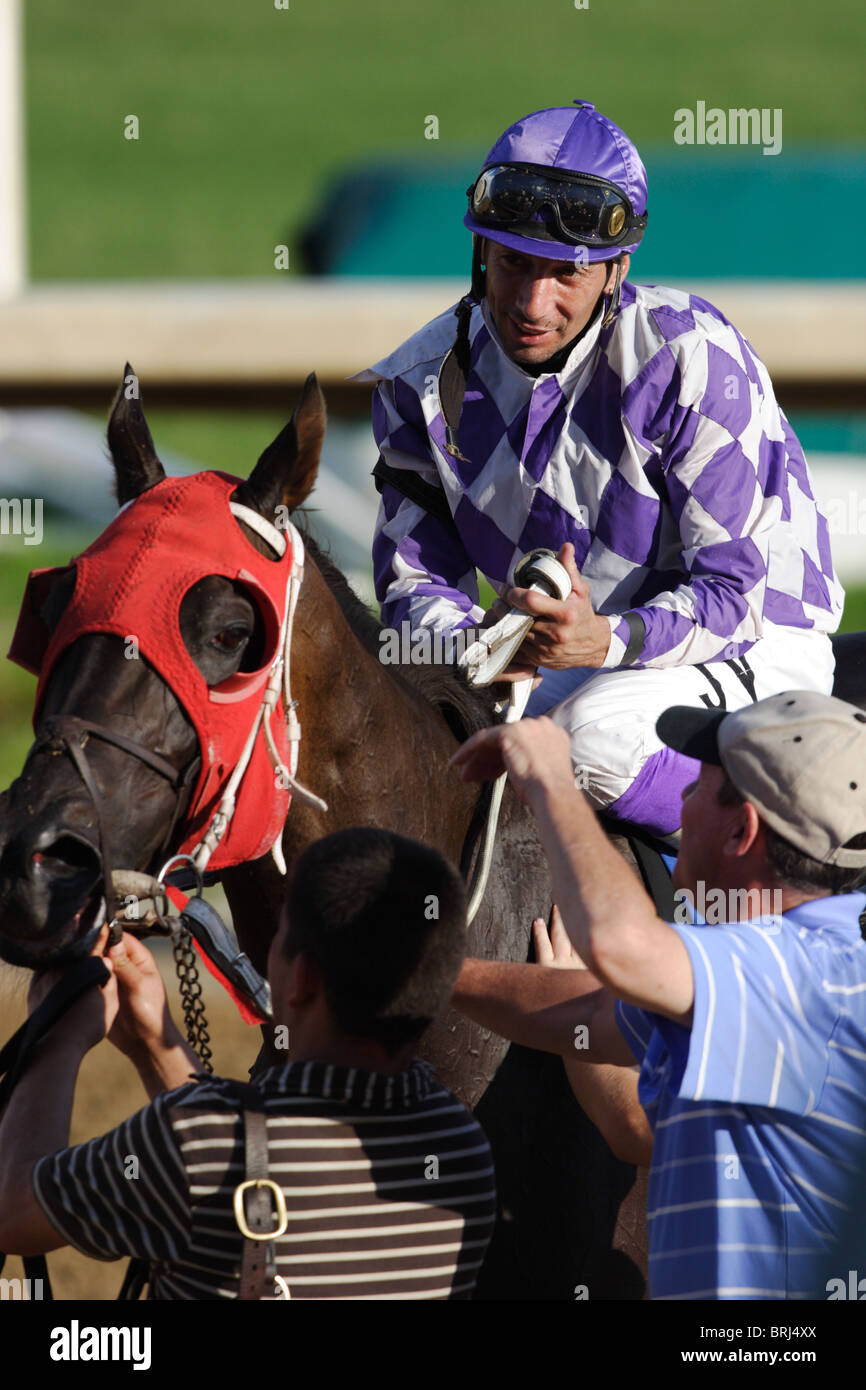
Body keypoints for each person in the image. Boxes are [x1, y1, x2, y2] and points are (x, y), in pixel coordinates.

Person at [356, 100, 843, 836]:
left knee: (587, 742)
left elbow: (734, 597)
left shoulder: (692, 361)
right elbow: (412, 587)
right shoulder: (417, 384)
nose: (531, 302)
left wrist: (610, 641)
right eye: (514, 263)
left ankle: (766, 881)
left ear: (616, 269)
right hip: (564, 655)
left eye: (566, 275)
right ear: (482, 250)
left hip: (758, 640)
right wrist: (481, 642)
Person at [448, 690, 866, 1299]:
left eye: (696, 786)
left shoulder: (802, 973)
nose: (682, 803)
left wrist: (550, 779)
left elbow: (621, 947)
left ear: (740, 832)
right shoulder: (789, 970)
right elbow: (595, 1026)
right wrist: (431, 970)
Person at [0, 828, 496, 1300]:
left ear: (300, 978)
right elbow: (232, 1161)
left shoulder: (192, 1141)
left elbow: (14, 1210)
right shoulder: (460, 1146)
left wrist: (57, 1041)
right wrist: (156, 1041)